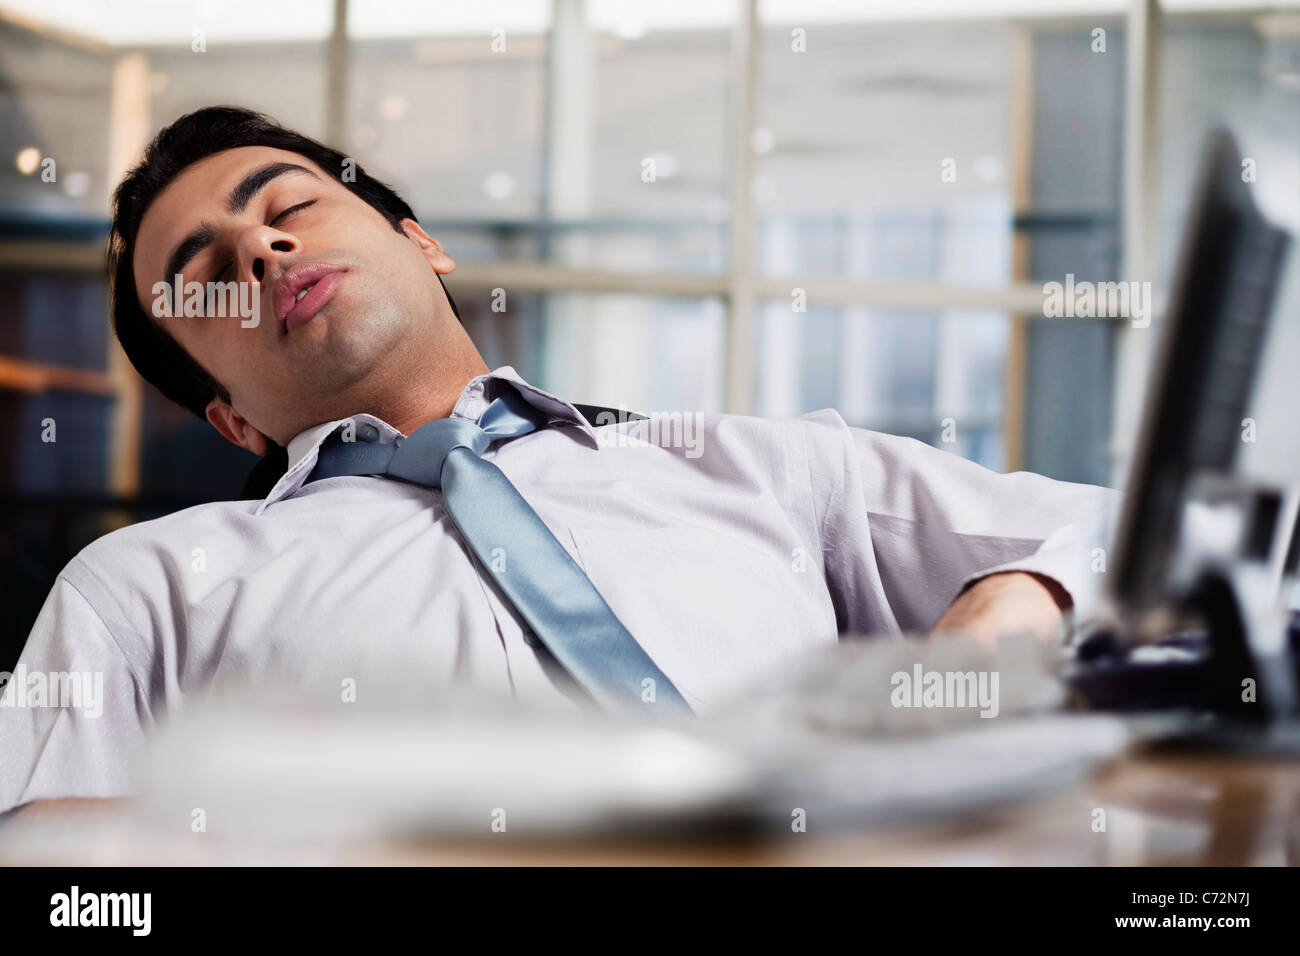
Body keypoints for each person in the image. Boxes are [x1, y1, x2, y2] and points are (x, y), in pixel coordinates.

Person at [0, 107, 1115, 819]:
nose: (260, 247)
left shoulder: (760, 468)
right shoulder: (141, 589)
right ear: (230, 420)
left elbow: (1128, 536)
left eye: (290, 207)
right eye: (209, 274)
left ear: (421, 242)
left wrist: (1012, 596)